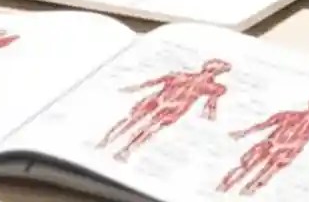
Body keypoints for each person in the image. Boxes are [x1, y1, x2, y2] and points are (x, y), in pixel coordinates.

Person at [97, 59, 231, 162]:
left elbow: (152, 82)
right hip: (175, 106)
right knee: (149, 126)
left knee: (135, 120)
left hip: (161, 99)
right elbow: (211, 103)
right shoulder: (214, 87)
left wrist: (136, 87)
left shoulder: (181, 75)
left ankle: (109, 142)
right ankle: (123, 150)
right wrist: (211, 114)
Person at [219, 96, 309, 196]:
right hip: (271, 144)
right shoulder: (289, 115)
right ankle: (222, 189)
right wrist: (244, 133)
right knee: (247, 166)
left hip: (287, 150)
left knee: (263, 175)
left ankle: (243, 195)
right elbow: (264, 125)